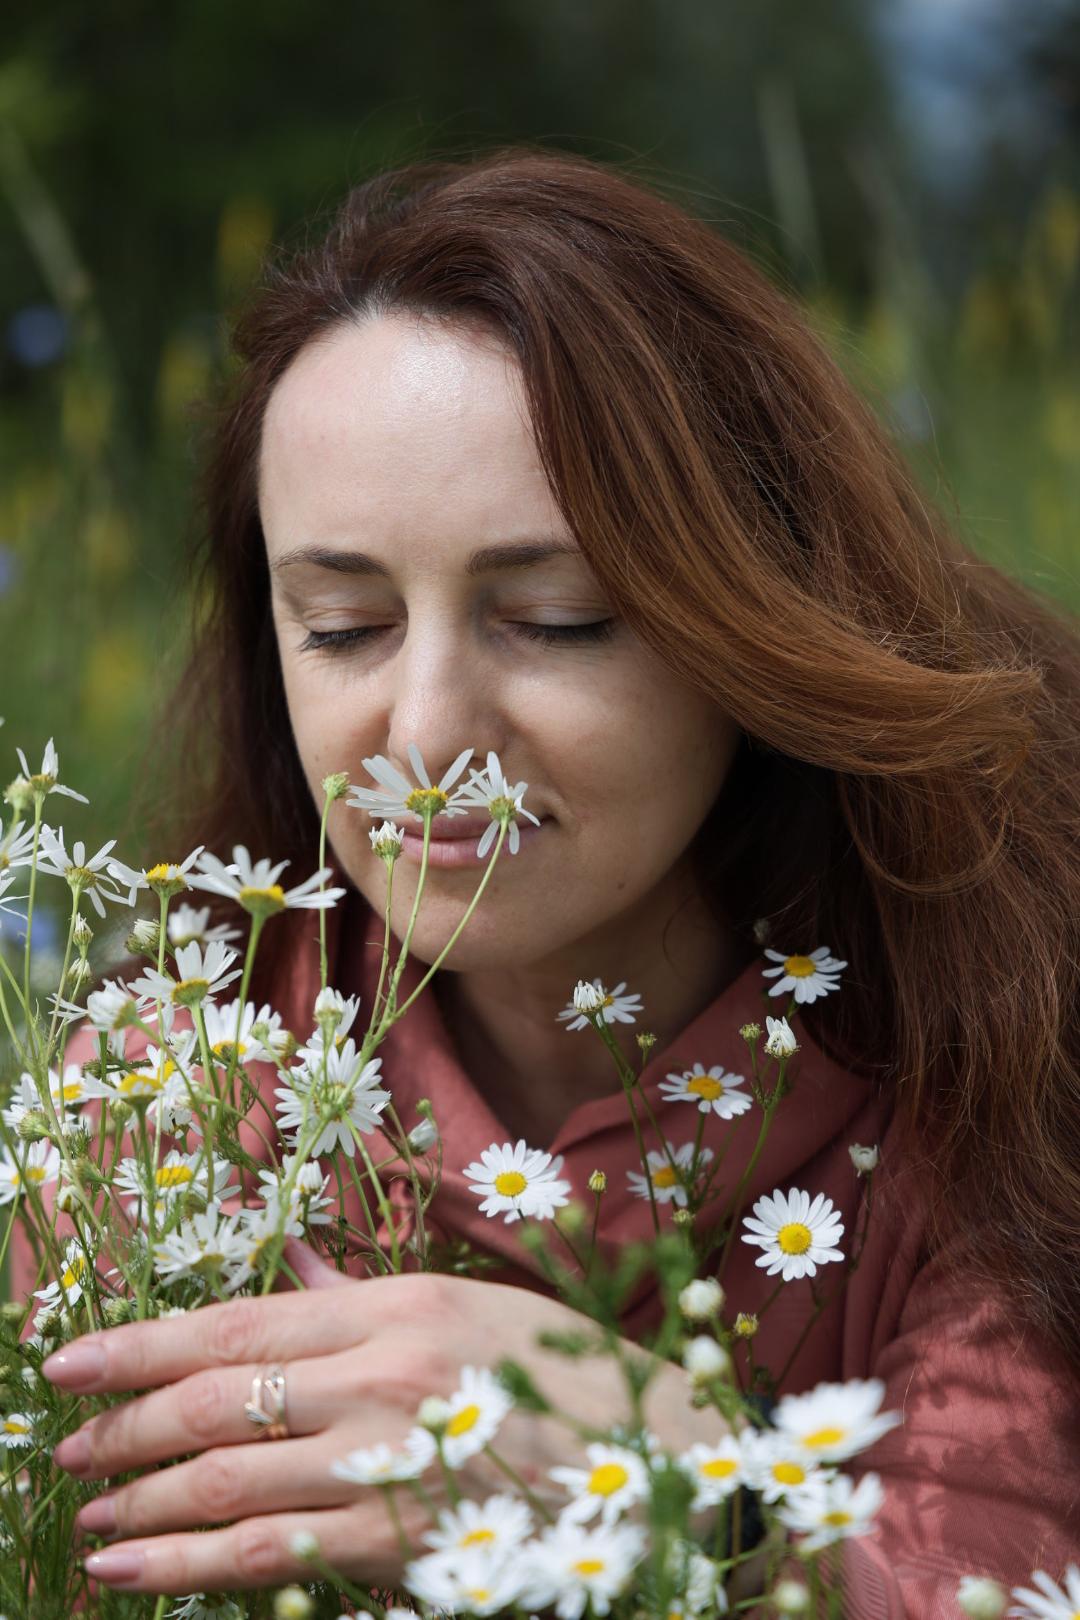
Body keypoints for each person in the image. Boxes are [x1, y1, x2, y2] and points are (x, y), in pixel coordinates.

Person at [19, 147, 1080, 1614]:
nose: (431, 736)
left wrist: (692, 1481)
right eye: (342, 625)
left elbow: (1010, 1571)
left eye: (558, 619)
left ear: (754, 616)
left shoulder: (1000, 1077)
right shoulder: (148, 1117)